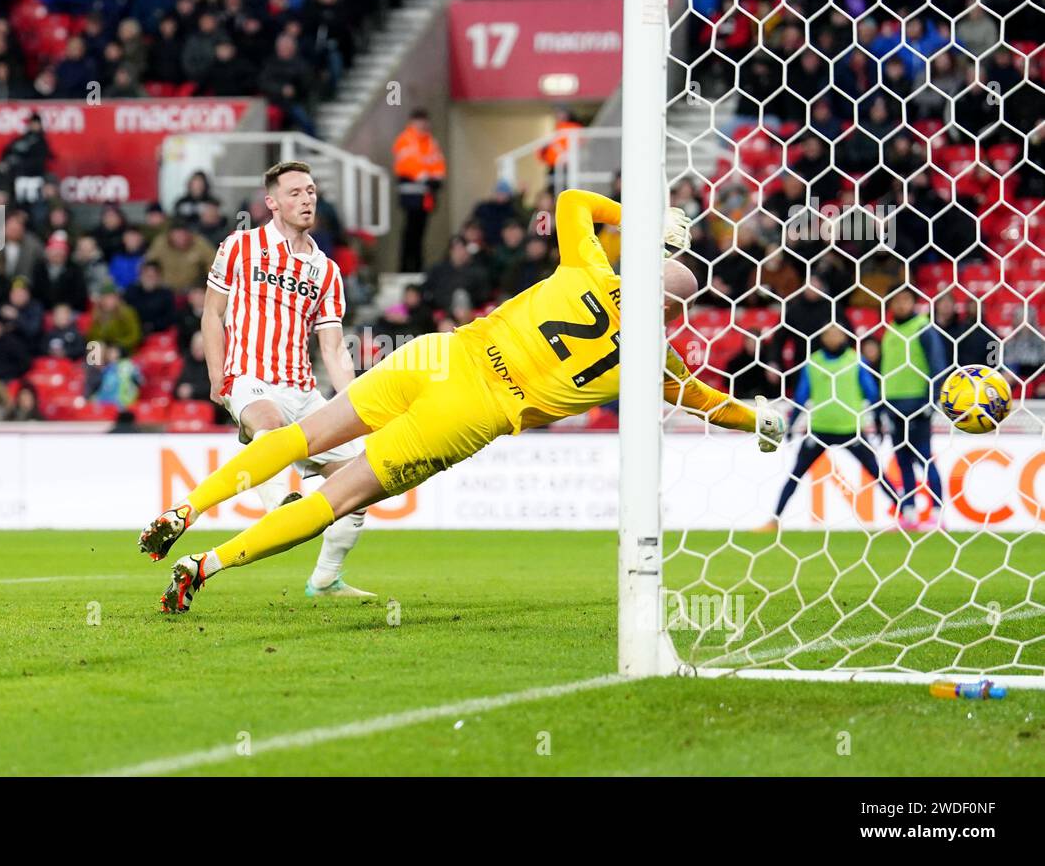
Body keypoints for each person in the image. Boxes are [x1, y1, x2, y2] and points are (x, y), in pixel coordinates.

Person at [138, 190, 786, 613]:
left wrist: (635, 217)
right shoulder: (656, 360)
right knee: (335, 500)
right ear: (677, 312)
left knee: (306, 438)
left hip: (438, 354)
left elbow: (570, 202)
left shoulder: (590, 268)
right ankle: (207, 565)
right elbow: (705, 401)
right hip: (472, 412)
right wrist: (756, 418)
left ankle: (187, 506)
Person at [158, 160, 379, 604]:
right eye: (295, 192)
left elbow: (333, 348)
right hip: (250, 377)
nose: (307, 199)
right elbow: (212, 314)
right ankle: (281, 506)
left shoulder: (326, 270)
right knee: (270, 423)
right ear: (272, 203)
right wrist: (217, 376)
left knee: (361, 483)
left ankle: (324, 581)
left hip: (302, 387)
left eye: (311, 191)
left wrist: (355, 401)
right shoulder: (239, 247)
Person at [761, 324, 901, 530]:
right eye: (829, 333)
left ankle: (903, 512)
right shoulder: (813, 362)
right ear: (822, 337)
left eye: (838, 333)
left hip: (851, 430)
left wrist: (878, 421)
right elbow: (801, 396)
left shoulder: (855, 360)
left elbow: (872, 393)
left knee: (876, 473)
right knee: (796, 474)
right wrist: (791, 426)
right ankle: (774, 520)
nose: (834, 337)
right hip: (820, 430)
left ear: (844, 336)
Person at [879, 289, 947, 529]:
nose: (900, 305)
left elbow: (938, 365)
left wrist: (932, 400)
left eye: (905, 300)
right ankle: (909, 513)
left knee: (924, 458)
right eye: (896, 300)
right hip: (894, 405)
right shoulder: (889, 331)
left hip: (918, 404)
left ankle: (938, 513)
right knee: (902, 461)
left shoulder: (923, 327)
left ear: (913, 302)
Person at [392, 109, 446, 272]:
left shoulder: (430, 142)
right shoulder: (405, 140)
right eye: (419, 121)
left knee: (420, 232)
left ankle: (416, 266)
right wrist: (425, 177)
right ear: (412, 122)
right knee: (410, 231)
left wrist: (436, 179)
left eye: (425, 121)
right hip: (411, 194)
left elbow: (438, 164)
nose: (423, 124)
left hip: (425, 195)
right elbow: (406, 164)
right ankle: (406, 267)